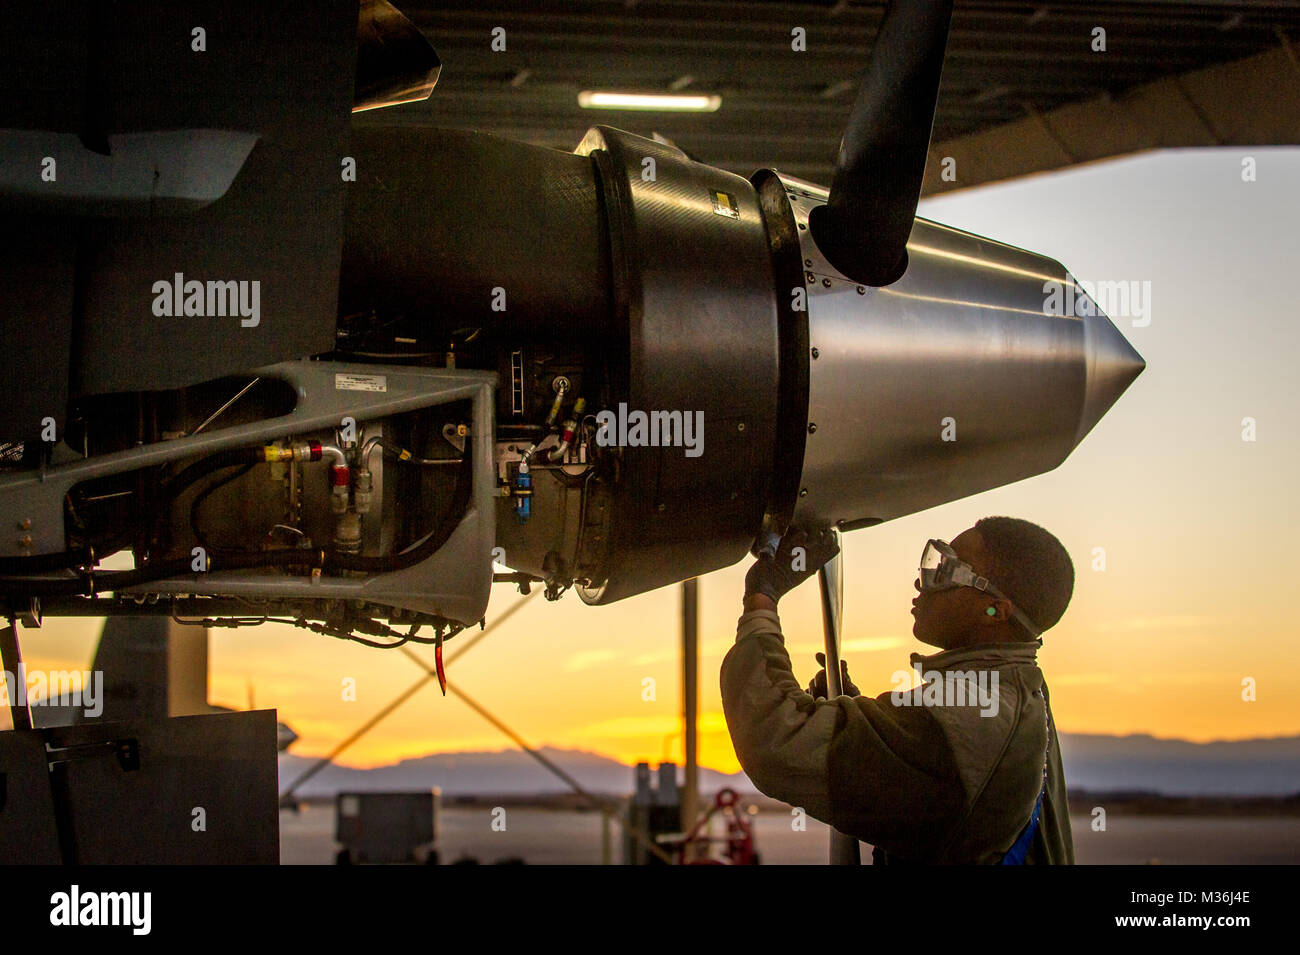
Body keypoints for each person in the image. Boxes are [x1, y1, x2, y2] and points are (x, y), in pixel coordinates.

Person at [720, 517, 1076, 864]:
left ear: (994, 611)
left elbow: (776, 736)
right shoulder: (1023, 694)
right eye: (934, 558)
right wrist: (858, 722)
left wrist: (762, 598)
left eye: (947, 569)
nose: (923, 581)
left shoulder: (973, 721)